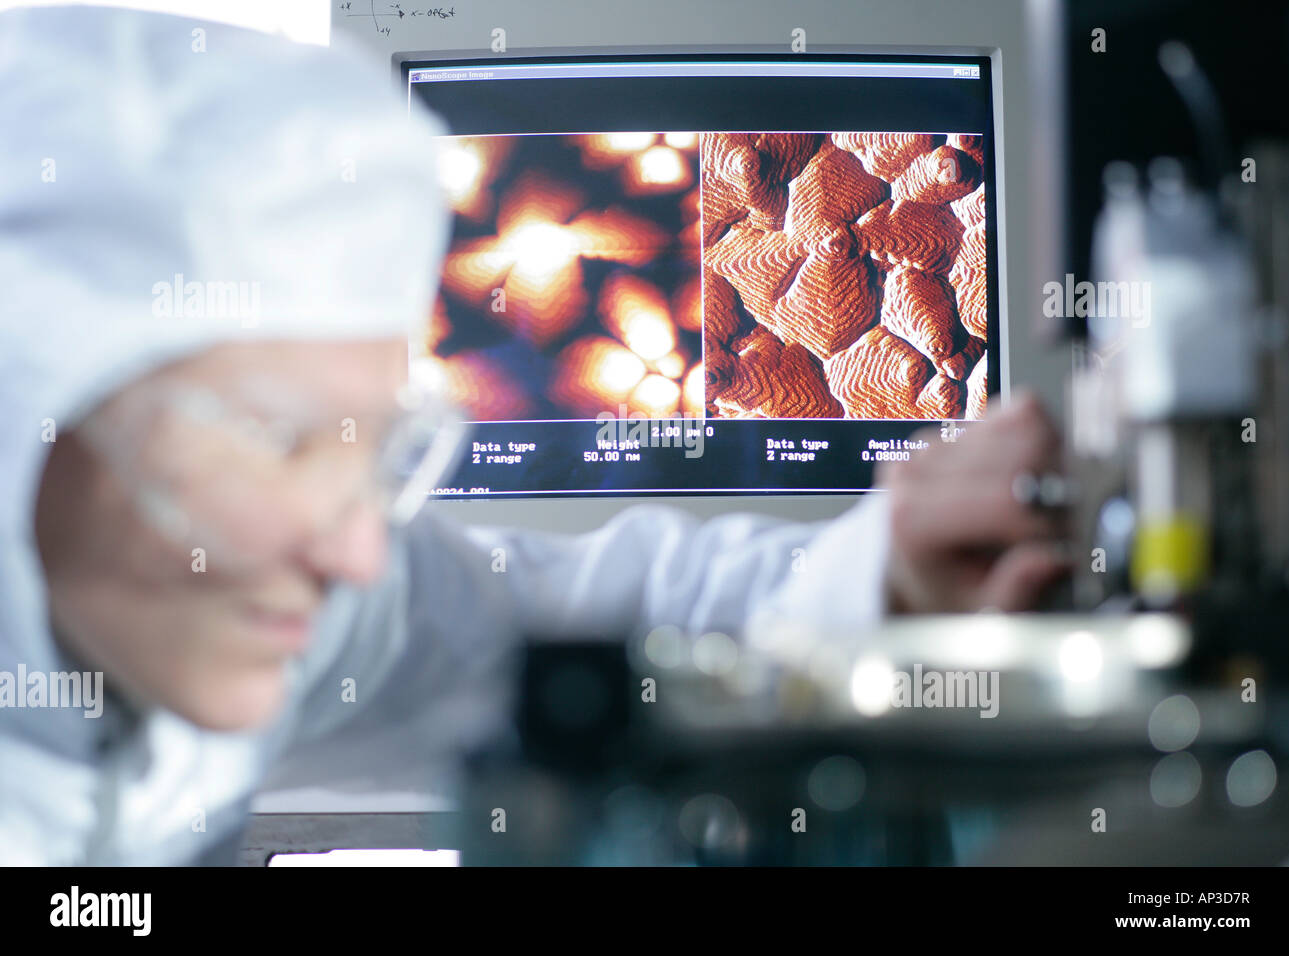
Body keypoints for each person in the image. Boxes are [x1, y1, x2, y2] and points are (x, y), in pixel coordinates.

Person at [0, 6, 1069, 865]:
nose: (358, 554)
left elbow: (568, 628)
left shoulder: (262, 593)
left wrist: (888, 562)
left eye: (374, 452)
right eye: (283, 442)